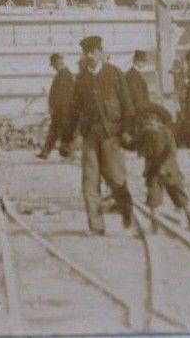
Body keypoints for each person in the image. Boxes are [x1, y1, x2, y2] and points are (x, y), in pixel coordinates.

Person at [67, 35, 134, 235]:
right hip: (90, 137)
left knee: (116, 177)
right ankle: (96, 226)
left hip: (111, 135)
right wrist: (69, 138)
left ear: (101, 53)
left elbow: (127, 105)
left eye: (94, 52)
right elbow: (74, 110)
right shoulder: (80, 79)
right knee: (90, 181)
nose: (90, 56)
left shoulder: (114, 74)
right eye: (86, 52)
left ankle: (126, 209)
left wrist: (128, 131)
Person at [134, 105, 190, 231]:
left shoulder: (167, 133)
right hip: (152, 170)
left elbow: (172, 152)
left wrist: (164, 165)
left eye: (152, 121)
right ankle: (154, 224)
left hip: (169, 170)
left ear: (158, 121)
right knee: (153, 198)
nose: (149, 124)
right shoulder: (144, 134)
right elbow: (134, 145)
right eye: (147, 121)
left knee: (179, 196)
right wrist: (124, 140)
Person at [37, 53, 75, 160]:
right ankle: (46, 152)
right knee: (55, 132)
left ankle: (66, 154)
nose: (53, 68)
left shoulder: (64, 75)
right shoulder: (62, 74)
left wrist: (54, 109)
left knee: (62, 133)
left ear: (57, 63)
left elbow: (61, 96)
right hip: (60, 110)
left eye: (53, 65)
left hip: (63, 111)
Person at [125, 50, 153, 125]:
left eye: (143, 61)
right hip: (137, 112)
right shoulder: (131, 75)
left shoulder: (137, 73)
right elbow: (135, 95)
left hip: (141, 110)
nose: (143, 63)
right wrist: (143, 110)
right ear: (136, 61)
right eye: (141, 60)